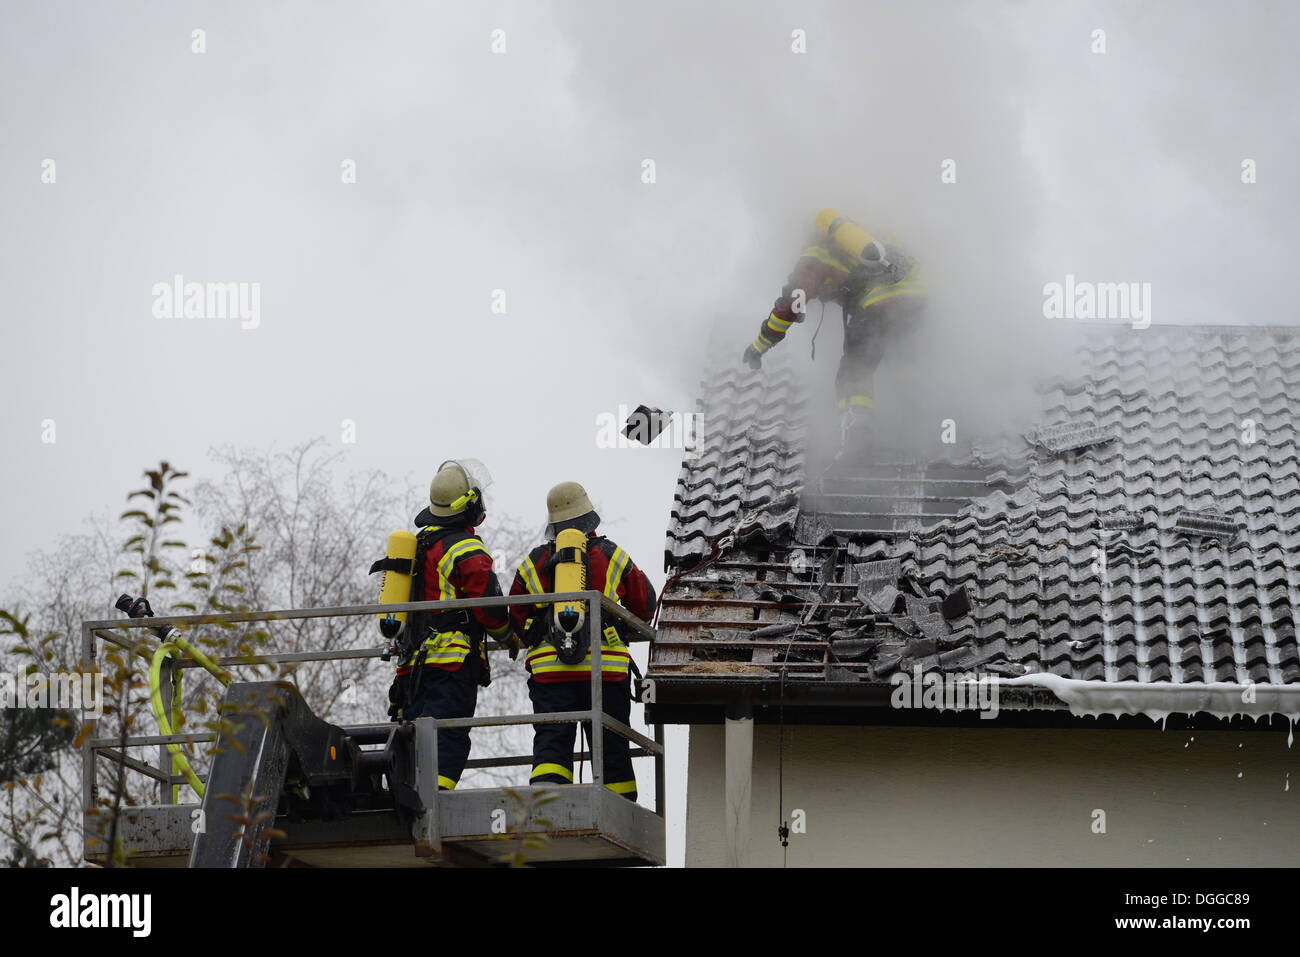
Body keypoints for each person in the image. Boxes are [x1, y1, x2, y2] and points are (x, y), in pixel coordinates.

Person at [508, 482, 656, 800]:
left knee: (552, 737)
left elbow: (514, 611)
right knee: (610, 741)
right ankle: (620, 806)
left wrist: (535, 632)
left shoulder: (534, 561)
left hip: (550, 671)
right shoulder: (610, 554)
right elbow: (645, 604)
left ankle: (547, 801)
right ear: (589, 518)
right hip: (605, 670)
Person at [742, 208, 926, 448]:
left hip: (876, 304)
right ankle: (921, 422)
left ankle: (857, 433)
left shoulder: (815, 255)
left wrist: (760, 345)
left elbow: (792, 304)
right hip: (918, 300)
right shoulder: (872, 237)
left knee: (854, 370)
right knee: (905, 359)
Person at [388, 459, 518, 790]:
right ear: (468, 504)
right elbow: (488, 605)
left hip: (410, 666)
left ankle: (408, 794)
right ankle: (436, 803)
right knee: (448, 734)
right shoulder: (465, 546)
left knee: (414, 734)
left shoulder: (418, 544)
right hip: (450, 664)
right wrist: (508, 636)